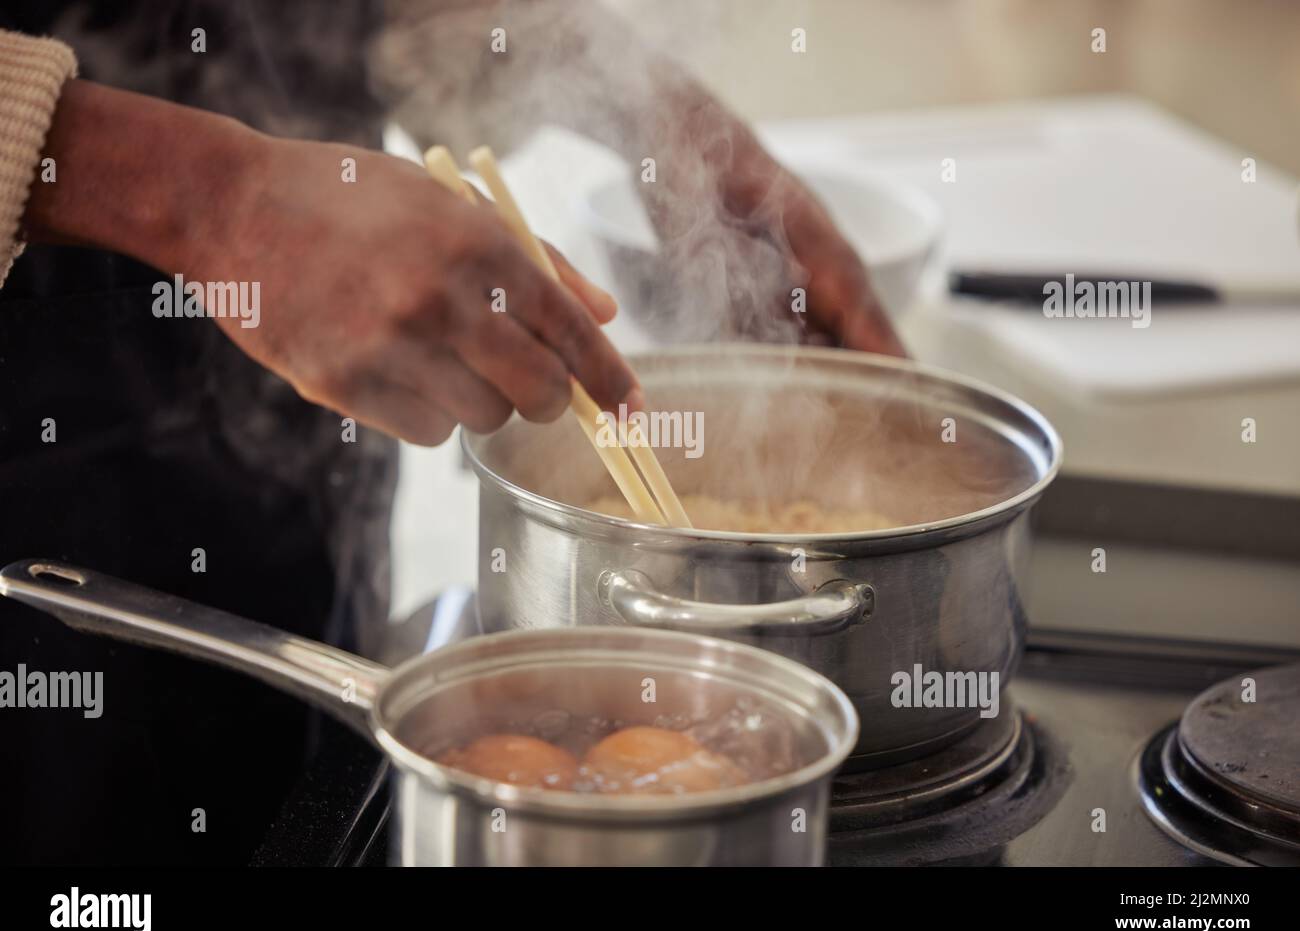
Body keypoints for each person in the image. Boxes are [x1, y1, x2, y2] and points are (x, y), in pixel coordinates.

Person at [0, 0, 902, 865]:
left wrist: (652, 104)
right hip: (45, 451)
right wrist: (212, 198)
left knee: (292, 791)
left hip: (298, 494)